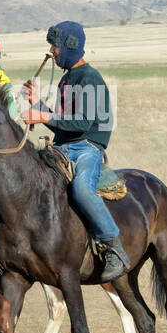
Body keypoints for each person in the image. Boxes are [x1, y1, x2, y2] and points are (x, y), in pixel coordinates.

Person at [22, 21, 130, 282]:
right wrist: (35, 101)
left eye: (55, 46)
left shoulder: (89, 77)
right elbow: (61, 117)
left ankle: (114, 247)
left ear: (70, 46)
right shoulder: (67, 78)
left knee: (82, 188)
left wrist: (40, 116)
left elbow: (81, 122)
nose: (52, 51)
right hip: (63, 146)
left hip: (86, 146)